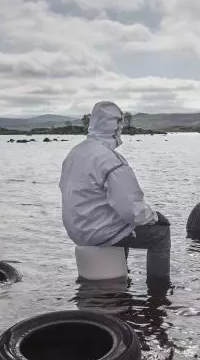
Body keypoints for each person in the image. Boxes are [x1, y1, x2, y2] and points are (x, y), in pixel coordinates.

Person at [59, 101, 170, 279]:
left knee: (121, 226)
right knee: (160, 233)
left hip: (76, 229)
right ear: (116, 126)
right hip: (98, 232)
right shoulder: (111, 160)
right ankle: (158, 293)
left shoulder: (75, 153)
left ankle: (120, 283)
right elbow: (133, 211)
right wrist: (155, 217)